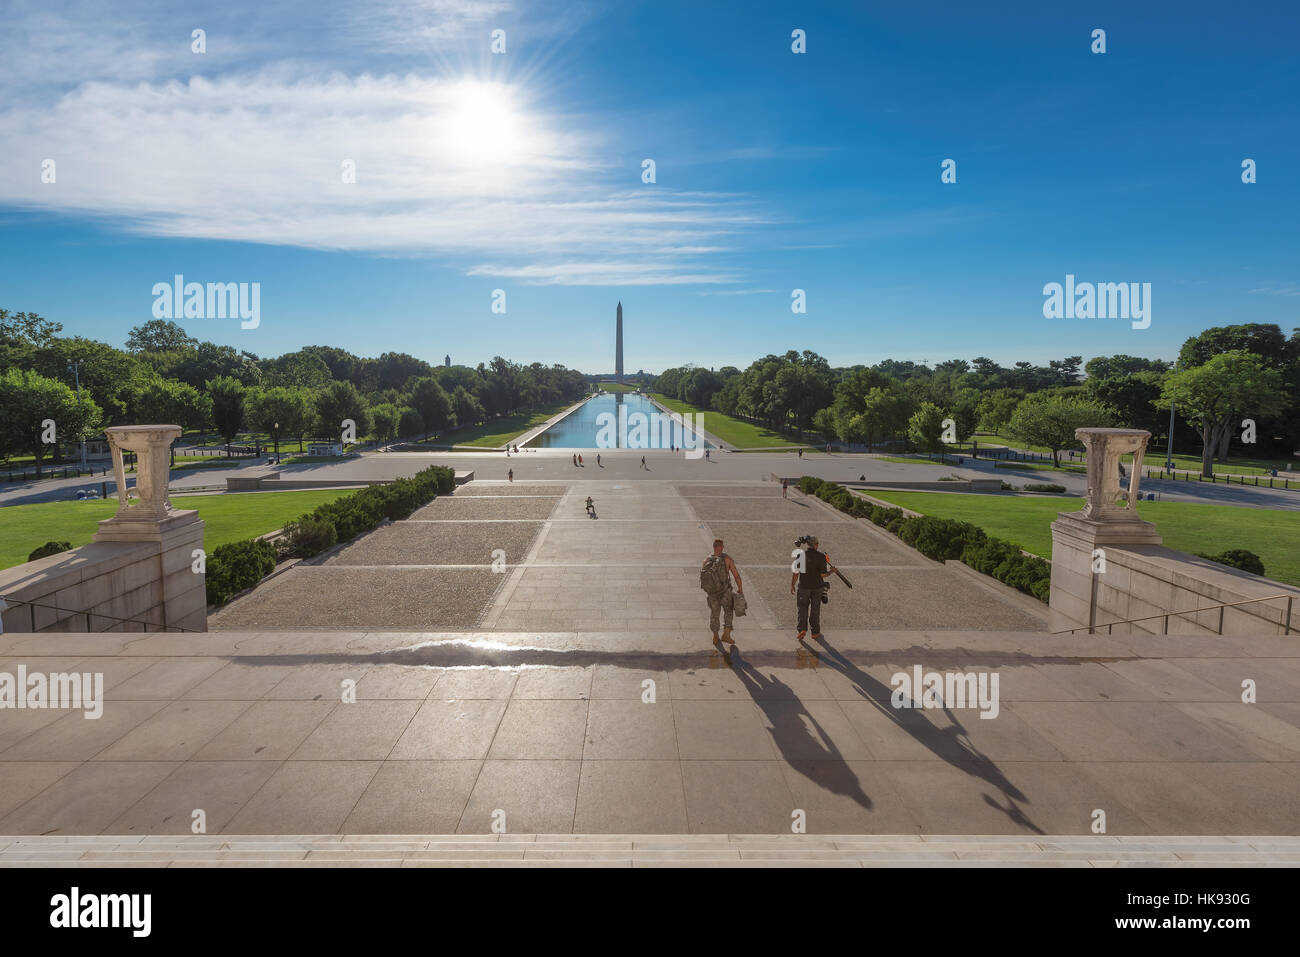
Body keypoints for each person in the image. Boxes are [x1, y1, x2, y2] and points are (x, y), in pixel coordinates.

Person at [791, 534, 836, 641]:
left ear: (808, 545)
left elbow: (796, 572)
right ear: (816, 545)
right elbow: (823, 575)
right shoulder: (821, 556)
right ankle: (815, 632)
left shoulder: (801, 555)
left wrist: (792, 584)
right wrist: (832, 571)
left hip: (804, 587)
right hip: (817, 587)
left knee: (802, 608)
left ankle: (802, 629)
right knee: (815, 609)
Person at [701, 538, 743, 645]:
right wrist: (740, 588)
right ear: (721, 547)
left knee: (714, 613)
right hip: (725, 592)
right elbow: (736, 575)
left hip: (712, 594)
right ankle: (726, 635)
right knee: (728, 612)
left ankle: (715, 636)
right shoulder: (727, 559)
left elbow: (704, 579)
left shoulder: (706, 560)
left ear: (714, 547)